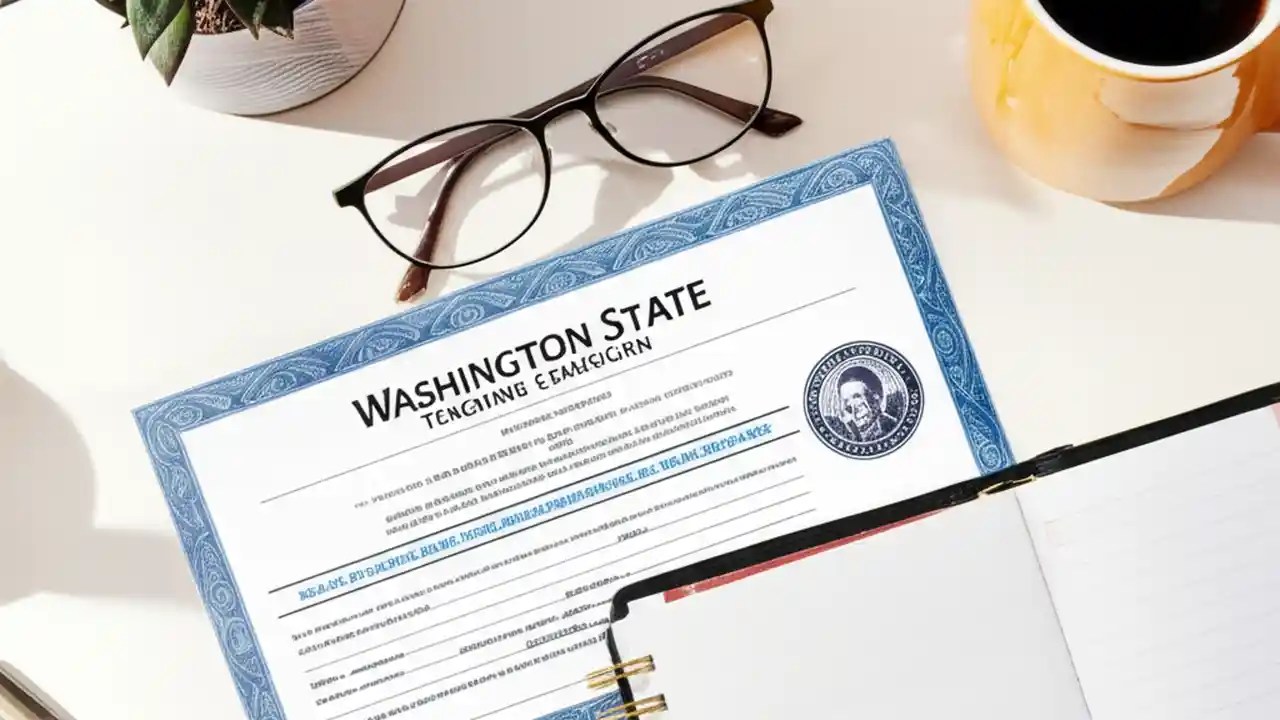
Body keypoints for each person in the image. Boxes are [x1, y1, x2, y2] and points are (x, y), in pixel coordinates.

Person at [827, 366, 899, 443]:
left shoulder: (893, 428)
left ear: (876, 397)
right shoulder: (842, 435)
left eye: (856, 397)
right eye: (846, 400)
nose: (851, 406)